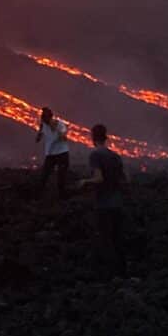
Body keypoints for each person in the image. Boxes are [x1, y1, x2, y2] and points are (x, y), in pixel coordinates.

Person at [79, 124, 129, 278]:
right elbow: (125, 180)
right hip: (118, 203)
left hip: (104, 204)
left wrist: (85, 182)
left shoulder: (95, 155)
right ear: (106, 137)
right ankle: (122, 275)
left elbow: (99, 178)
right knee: (117, 240)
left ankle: (109, 277)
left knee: (104, 239)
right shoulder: (115, 156)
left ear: (93, 137)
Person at [35, 106, 73, 198]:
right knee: (44, 175)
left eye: (46, 120)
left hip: (62, 154)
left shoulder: (60, 125)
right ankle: (38, 195)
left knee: (61, 177)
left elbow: (64, 138)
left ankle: (62, 196)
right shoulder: (43, 125)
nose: (45, 122)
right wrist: (40, 131)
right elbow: (38, 139)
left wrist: (56, 130)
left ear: (50, 118)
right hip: (50, 155)